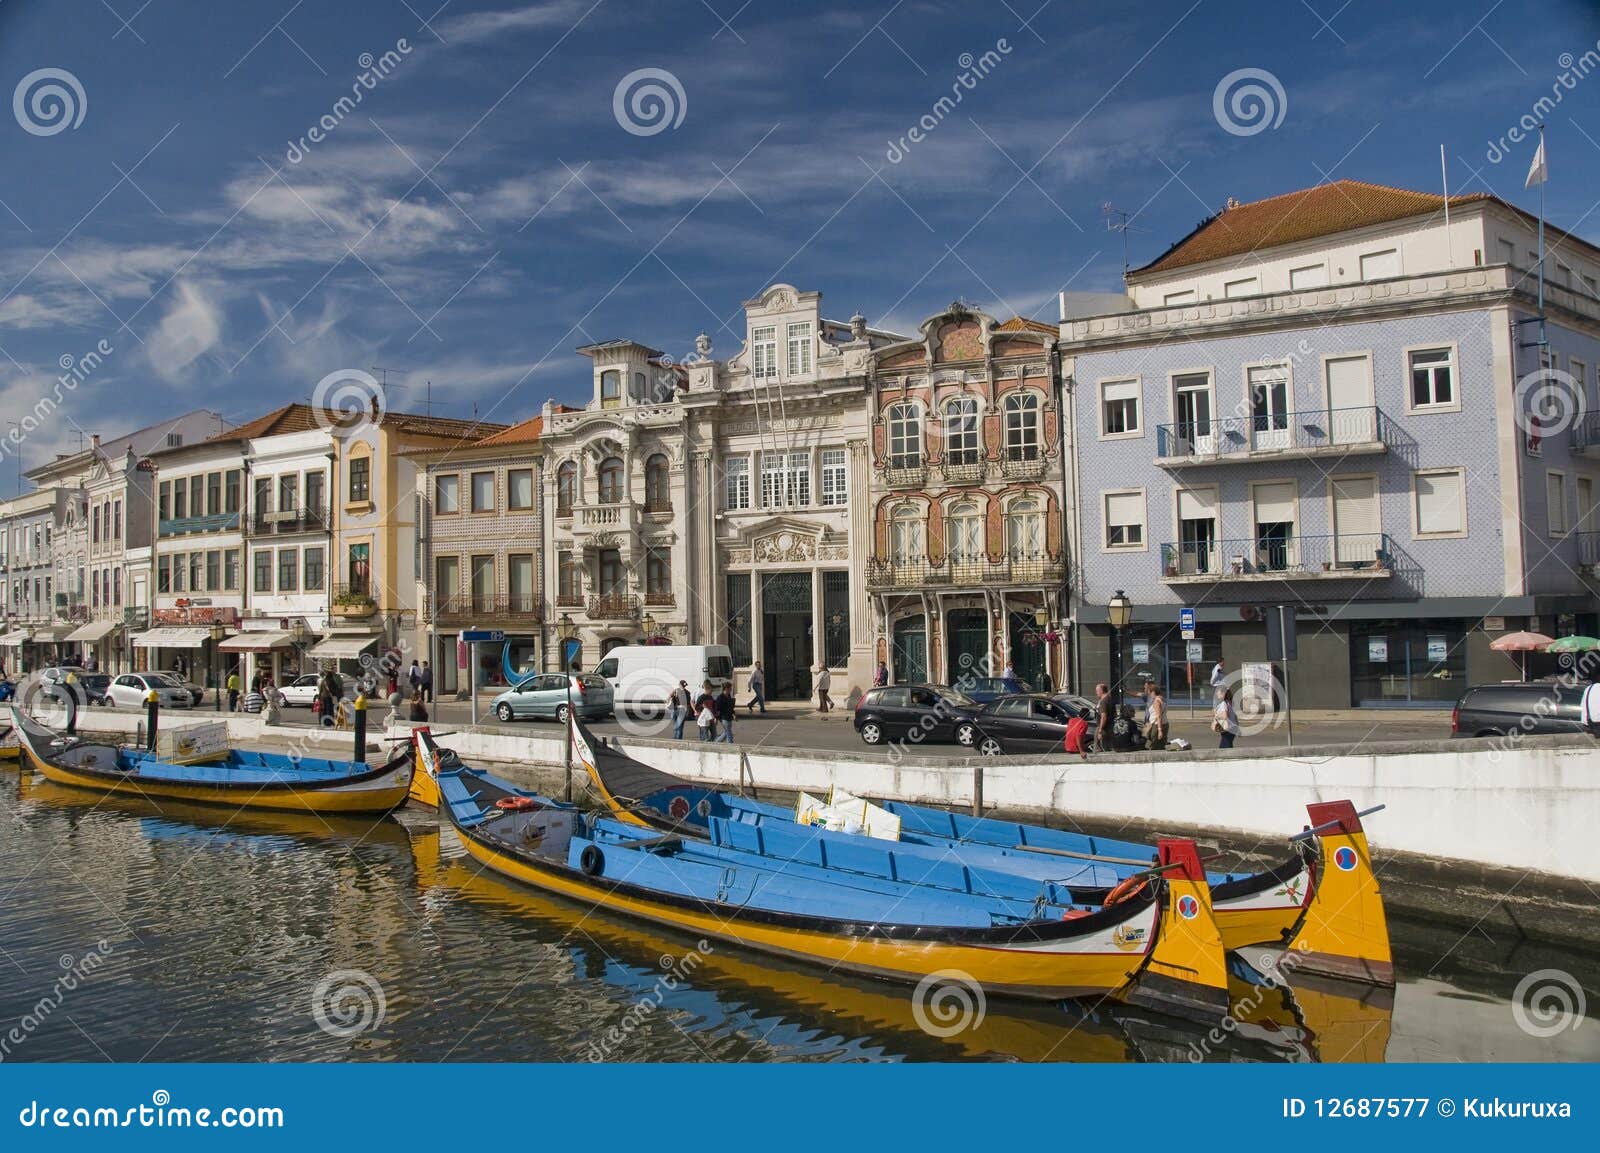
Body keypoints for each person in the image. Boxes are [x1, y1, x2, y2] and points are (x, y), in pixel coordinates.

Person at [1144, 685, 1168, 749]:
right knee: (1161, 745)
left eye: (1149, 692)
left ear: (1153, 692)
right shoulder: (1163, 699)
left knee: (1151, 745)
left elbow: (1158, 716)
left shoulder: (1156, 701)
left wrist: (1159, 730)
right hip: (1165, 723)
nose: (1149, 695)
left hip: (1156, 725)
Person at [1094, 682, 1113, 751]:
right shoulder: (1109, 698)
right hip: (1109, 726)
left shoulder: (1104, 701)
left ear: (1101, 691)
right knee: (1107, 747)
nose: (1096, 693)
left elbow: (1104, 716)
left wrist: (1100, 730)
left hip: (1104, 728)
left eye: (1097, 691)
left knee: (1101, 748)